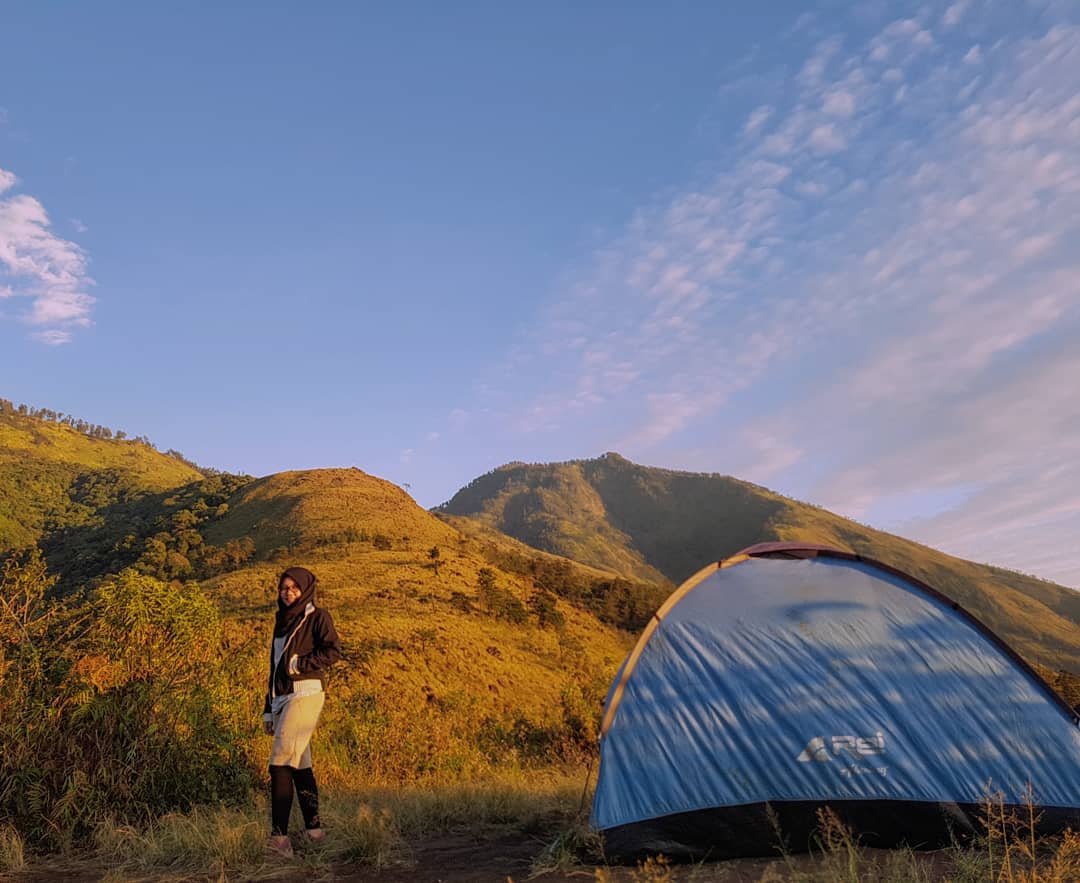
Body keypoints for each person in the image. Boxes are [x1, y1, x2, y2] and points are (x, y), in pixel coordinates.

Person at [262, 566, 342, 858]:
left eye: (295, 587)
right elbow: (274, 668)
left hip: (306, 692)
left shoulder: (317, 616)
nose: (289, 592)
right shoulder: (281, 621)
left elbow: (333, 651)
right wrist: (268, 709)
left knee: (281, 760)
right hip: (282, 698)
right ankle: (314, 832)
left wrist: (300, 664)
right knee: (301, 765)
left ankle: (279, 840)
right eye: (284, 587)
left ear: (306, 588)